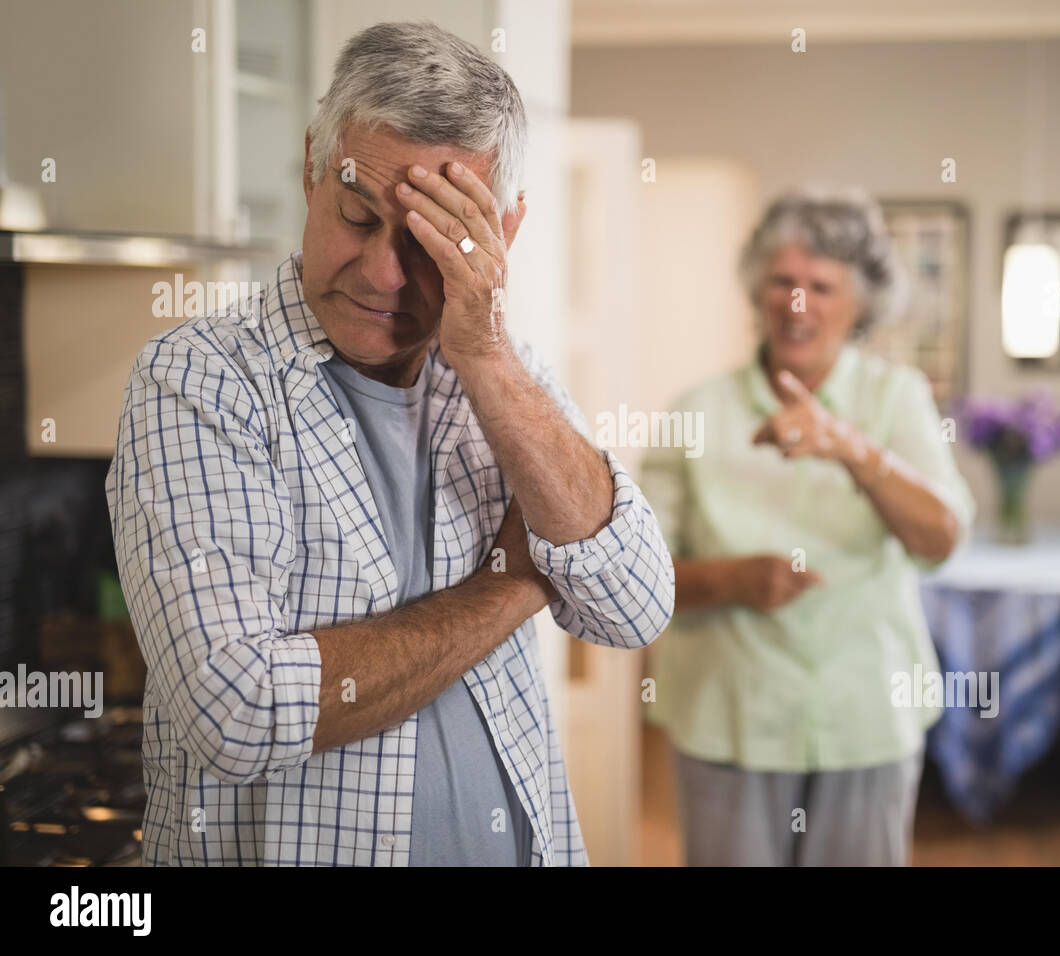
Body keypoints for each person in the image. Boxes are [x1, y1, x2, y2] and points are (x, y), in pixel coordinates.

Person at [106, 20, 674, 867]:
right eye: (357, 217)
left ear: (502, 234)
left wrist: (482, 353)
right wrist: (513, 582)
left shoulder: (504, 377)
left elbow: (633, 604)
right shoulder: (197, 381)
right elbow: (240, 709)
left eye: (427, 244)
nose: (381, 273)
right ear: (310, 168)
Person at [640, 191, 975, 866]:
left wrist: (852, 448)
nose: (799, 305)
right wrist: (728, 579)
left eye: (822, 287)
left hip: (866, 716)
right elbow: (636, 574)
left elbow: (940, 540)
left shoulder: (896, 398)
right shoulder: (696, 410)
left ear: (860, 306)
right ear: (757, 292)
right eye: (782, 282)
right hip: (728, 716)